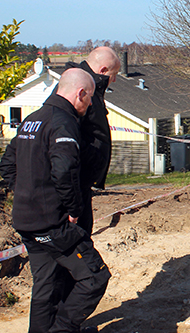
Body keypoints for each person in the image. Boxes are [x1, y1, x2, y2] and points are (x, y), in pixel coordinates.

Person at [0, 68, 111, 333]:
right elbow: (64, 171)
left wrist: (27, 192)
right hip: (53, 222)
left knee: (46, 284)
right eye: (88, 101)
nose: (89, 108)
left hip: (26, 220)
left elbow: (7, 165)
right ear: (81, 94)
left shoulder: (32, 118)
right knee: (94, 277)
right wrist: (72, 208)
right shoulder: (64, 123)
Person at [64, 46, 121, 234]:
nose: (114, 80)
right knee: (79, 239)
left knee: (83, 235)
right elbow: (69, 139)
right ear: (103, 70)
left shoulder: (94, 92)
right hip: (76, 181)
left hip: (84, 180)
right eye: (114, 75)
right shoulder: (80, 94)